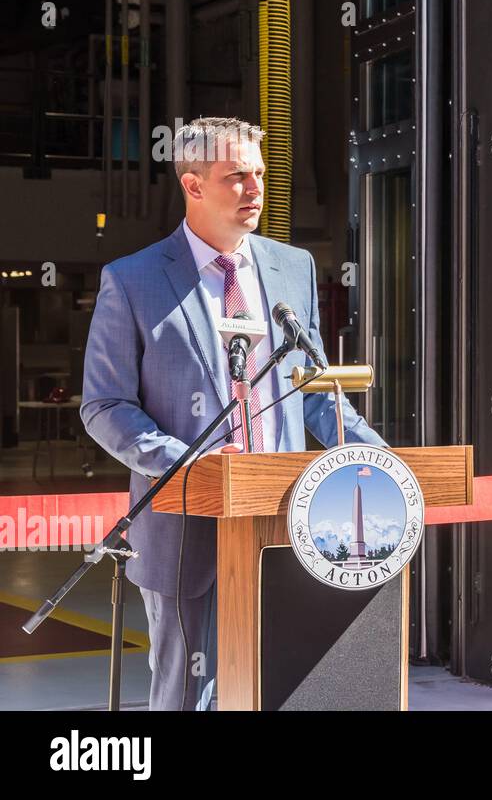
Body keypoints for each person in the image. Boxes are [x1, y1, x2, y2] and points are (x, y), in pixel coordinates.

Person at [80, 118, 386, 709]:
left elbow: (316, 390)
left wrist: (382, 457)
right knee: (188, 691)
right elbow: (105, 405)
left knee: (276, 686)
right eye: (236, 177)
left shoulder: (291, 269)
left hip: (285, 522)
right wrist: (189, 464)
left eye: (261, 175)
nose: (255, 190)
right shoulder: (133, 279)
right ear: (192, 185)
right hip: (185, 525)